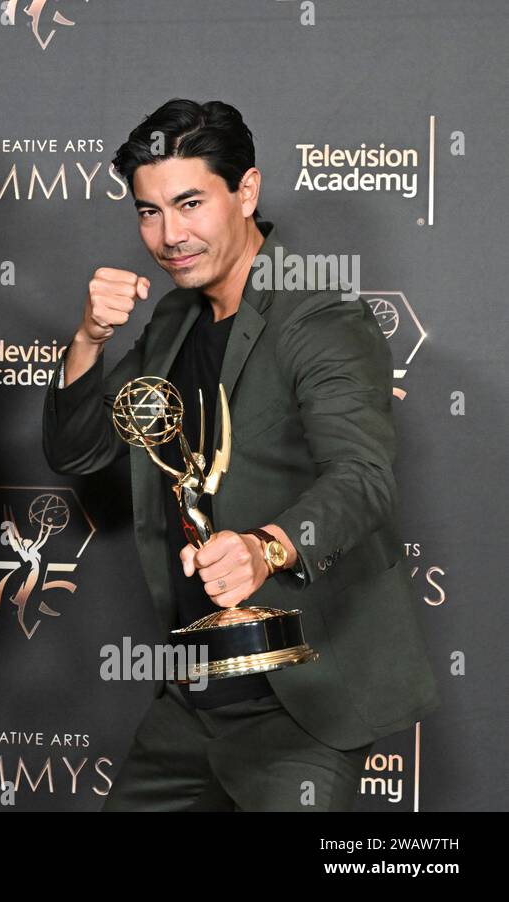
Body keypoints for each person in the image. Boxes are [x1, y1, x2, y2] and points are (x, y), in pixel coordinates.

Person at [43, 98, 438, 811]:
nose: (169, 236)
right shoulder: (172, 319)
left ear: (246, 191)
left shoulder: (317, 313)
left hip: (304, 706)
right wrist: (88, 341)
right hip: (194, 697)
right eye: (149, 211)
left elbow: (364, 477)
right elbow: (79, 452)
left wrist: (267, 547)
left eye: (190, 203)